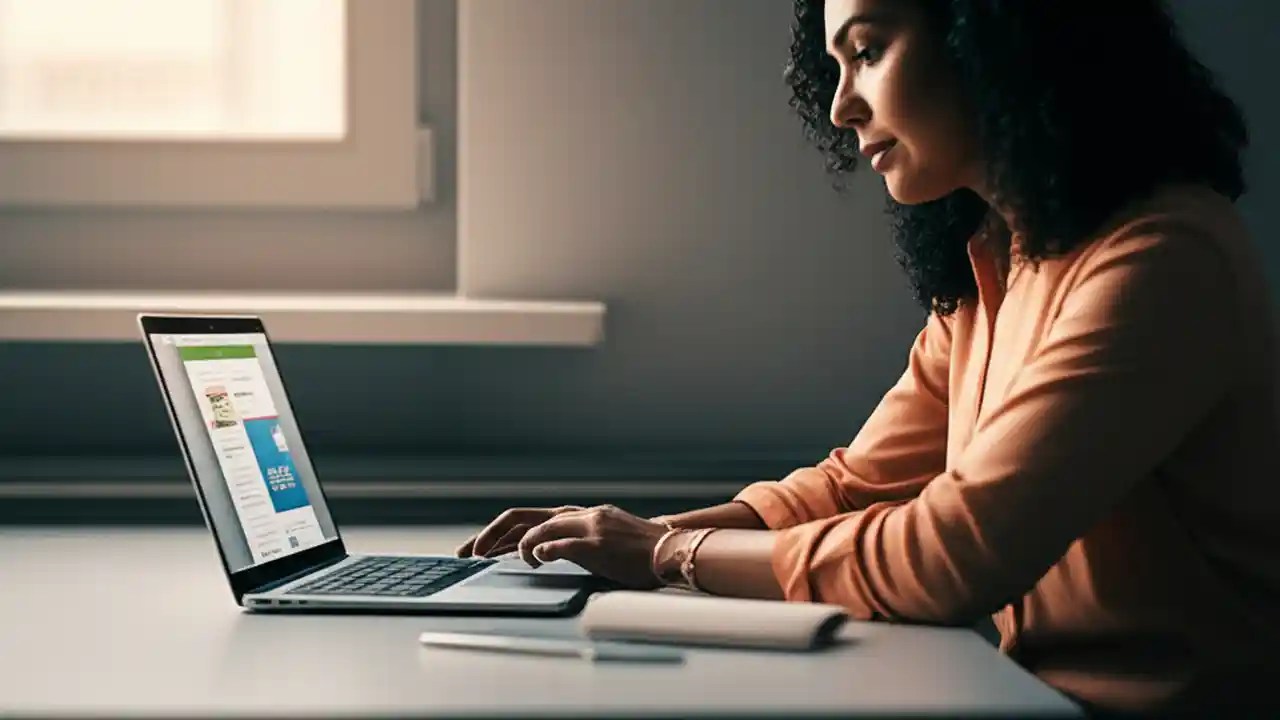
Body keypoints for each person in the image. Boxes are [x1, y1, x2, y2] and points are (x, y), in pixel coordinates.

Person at [457, 0, 1280, 715]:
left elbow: (954, 554)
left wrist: (667, 557)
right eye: (835, 66)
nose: (843, 105)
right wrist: (624, 538)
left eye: (868, 50)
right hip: (1030, 699)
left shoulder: (1163, 259)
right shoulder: (997, 257)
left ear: (991, 33)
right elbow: (857, 484)